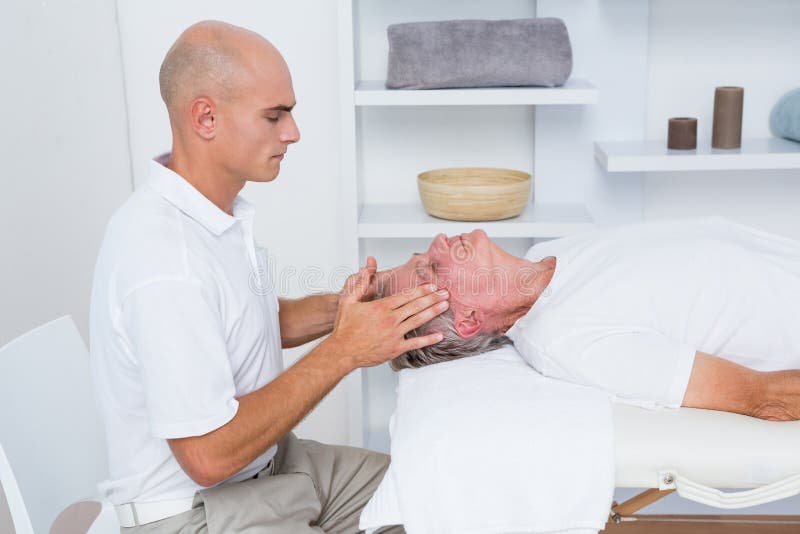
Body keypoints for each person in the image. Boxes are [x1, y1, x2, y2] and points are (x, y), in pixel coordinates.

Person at [89, 20, 450, 533]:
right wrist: (346, 349)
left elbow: (253, 321)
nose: (293, 132)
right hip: (196, 513)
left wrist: (366, 298)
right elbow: (207, 456)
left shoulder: (212, 214)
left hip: (274, 470)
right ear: (206, 117)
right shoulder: (165, 260)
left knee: (439, 490)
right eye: (274, 116)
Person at [377, 217, 800, 422]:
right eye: (431, 269)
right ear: (468, 319)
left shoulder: (552, 253)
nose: (437, 241)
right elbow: (763, 398)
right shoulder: (567, 339)